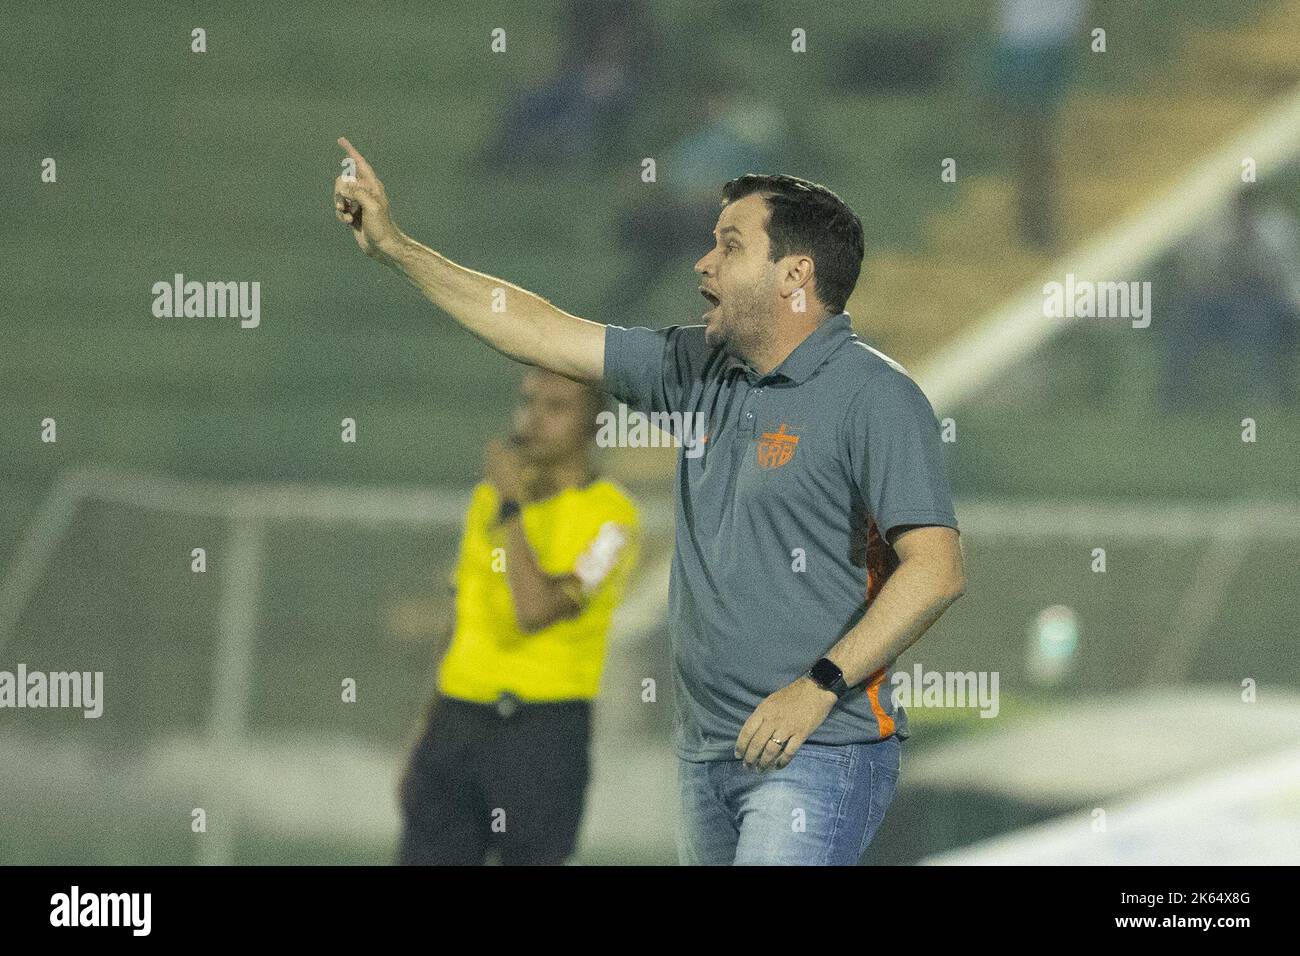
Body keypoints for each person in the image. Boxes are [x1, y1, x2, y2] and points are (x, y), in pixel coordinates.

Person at [333, 137, 966, 865]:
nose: (704, 262)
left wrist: (818, 687)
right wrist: (397, 249)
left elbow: (937, 570)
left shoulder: (876, 397)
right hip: (707, 752)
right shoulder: (693, 369)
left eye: (730, 245)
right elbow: (538, 328)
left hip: (819, 748)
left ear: (795, 274)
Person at [395, 368, 641, 865]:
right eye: (528, 402)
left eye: (557, 407)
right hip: (457, 721)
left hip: (542, 734)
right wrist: (424, 731)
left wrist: (513, 509)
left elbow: (536, 610)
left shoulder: (612, 520)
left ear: (595, 424)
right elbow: (461, 618)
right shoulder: (485, 499)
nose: (534, 419)